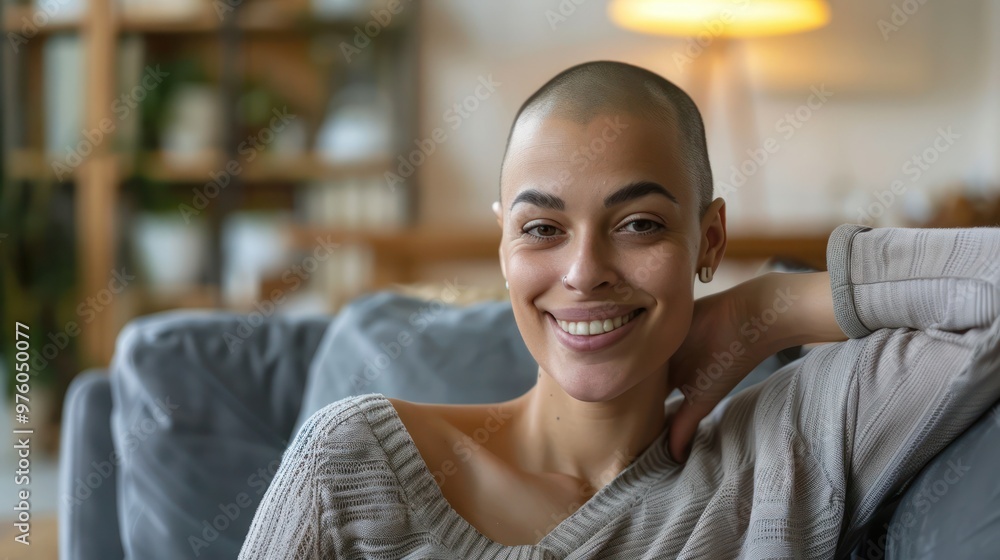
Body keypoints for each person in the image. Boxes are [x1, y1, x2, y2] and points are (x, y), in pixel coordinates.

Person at [238, 61, 1000, 559]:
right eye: (542, 229)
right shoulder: (353, 462)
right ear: (504, 246)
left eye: (638, 224)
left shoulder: (794, 444)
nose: (584, 273)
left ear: (709, 240)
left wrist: (768, 307)